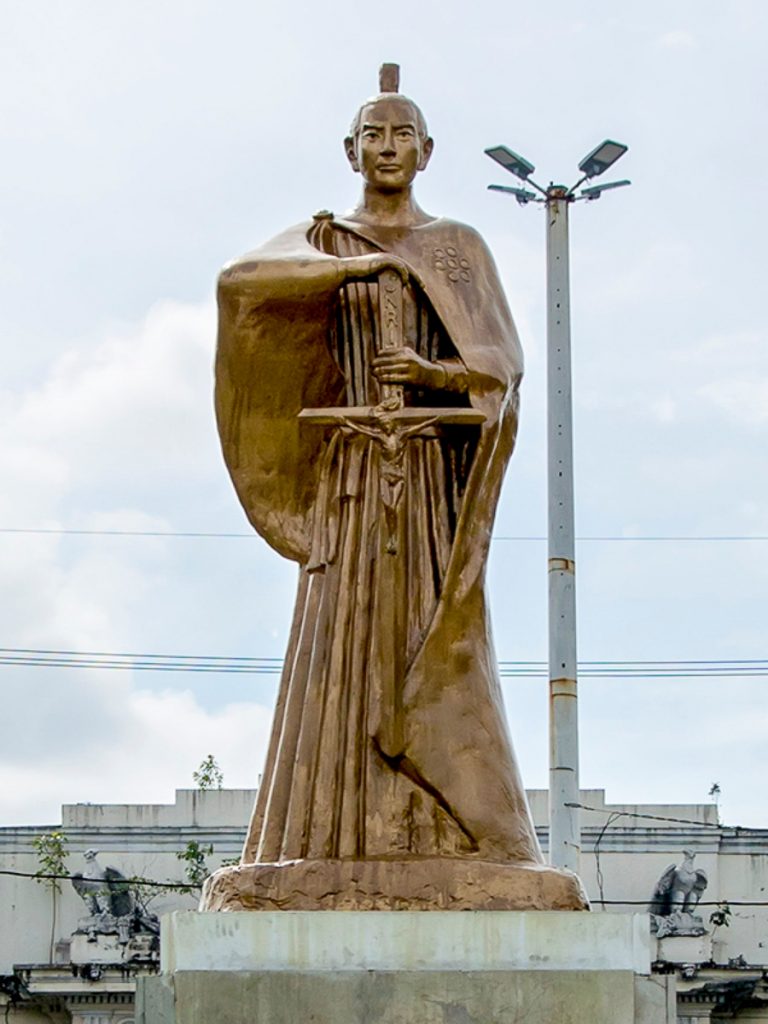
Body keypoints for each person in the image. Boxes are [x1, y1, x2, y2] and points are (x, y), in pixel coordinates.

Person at [209, 68, 586, 909]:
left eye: (402, 134)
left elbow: (500, 368)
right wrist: (357, 269)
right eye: (373, 135)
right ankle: (317, 840)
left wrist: (429, 371)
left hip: (424, 484)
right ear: (351, 150)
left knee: (428, 634)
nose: (388, 148)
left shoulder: (457, 248)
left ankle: (451, 824)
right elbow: (241, 284)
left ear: (427, 150)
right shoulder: (321, 240)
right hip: (349, 478)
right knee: (341, 638)